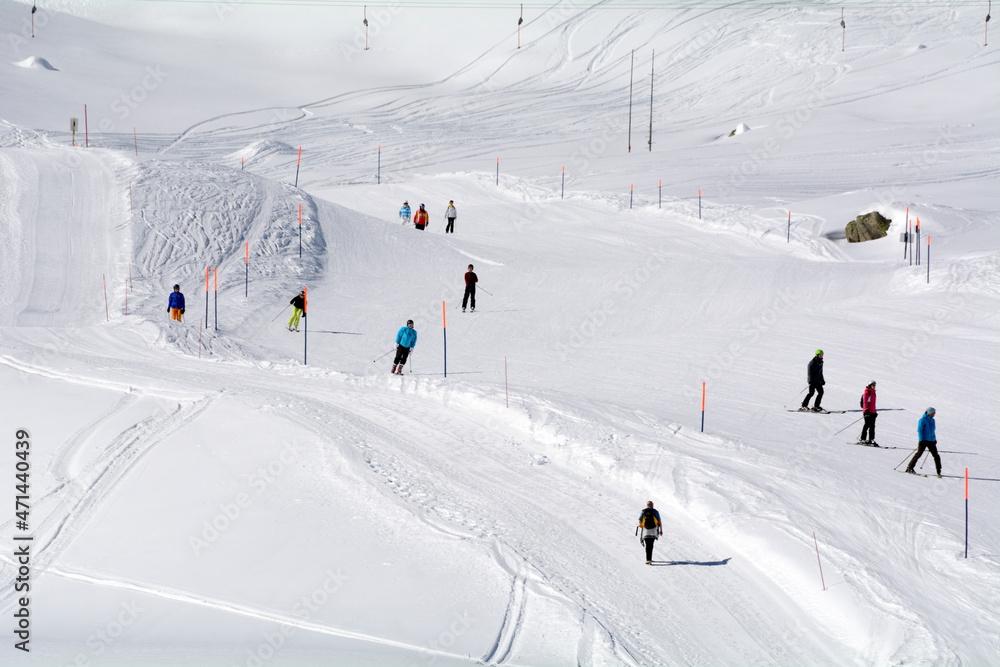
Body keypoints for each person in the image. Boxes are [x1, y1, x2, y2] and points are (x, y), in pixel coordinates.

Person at [905, 408, 941, 477]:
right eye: (933, 412)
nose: (934, 414)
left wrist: (934, 439)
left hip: (931, 441)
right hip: (924, 441)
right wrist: (921, 440)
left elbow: (932, 431)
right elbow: (920, 431)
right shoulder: (922, 420)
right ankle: (909, 468)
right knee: (918, 454)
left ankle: (938, 470)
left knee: (936, 455)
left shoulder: (933, 420)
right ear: (929, 413)